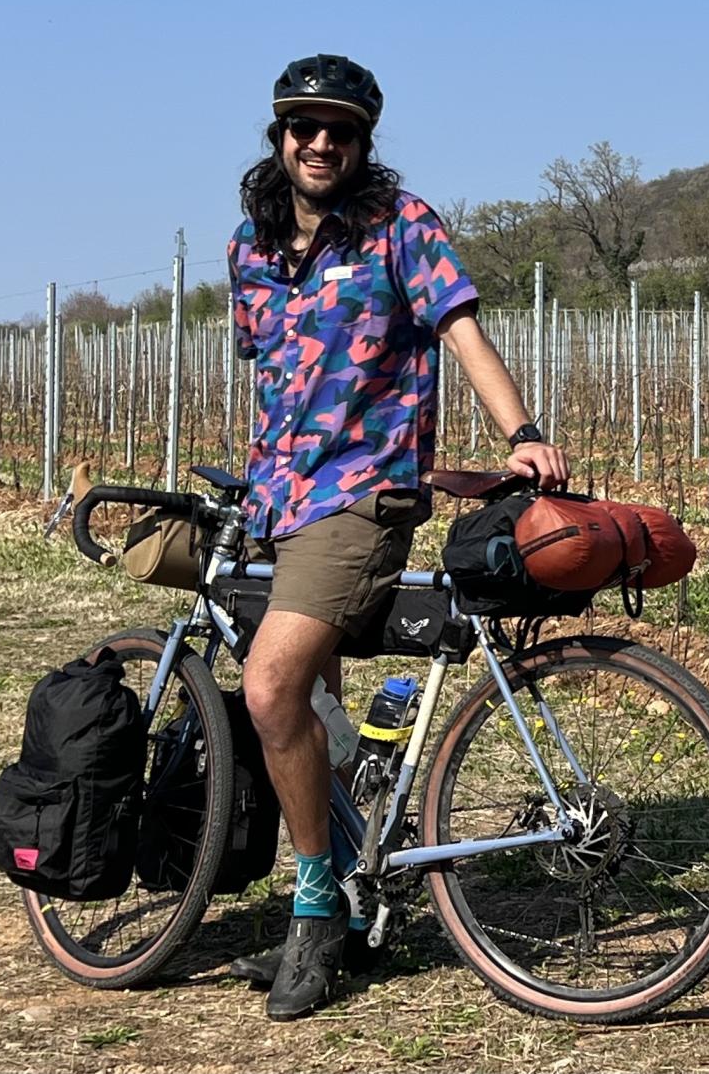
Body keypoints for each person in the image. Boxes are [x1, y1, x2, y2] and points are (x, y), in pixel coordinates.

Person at [224, 54, 566, 1020]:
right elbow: (272, 375)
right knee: (315, 705)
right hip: (281, 499)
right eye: (305, 126)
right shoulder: (252, 246)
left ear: (365, 142)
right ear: (279, 134)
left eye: (342, 129)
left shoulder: (399, 227)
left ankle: (316, 906)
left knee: (270, 686)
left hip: (363, 497)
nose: (321, 142)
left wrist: (522, 432)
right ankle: (359, 889)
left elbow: (460, 332)